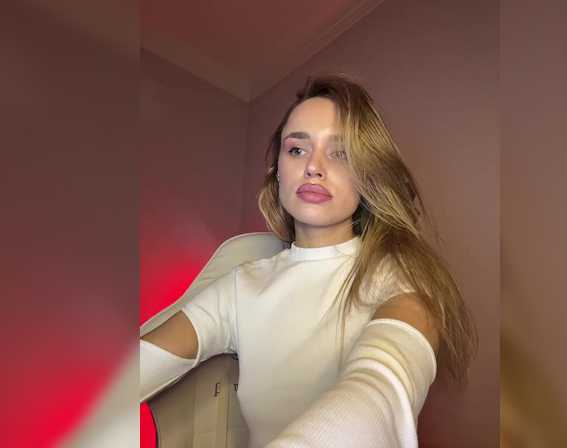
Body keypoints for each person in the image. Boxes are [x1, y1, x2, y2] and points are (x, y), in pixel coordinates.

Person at [140, 73, 478, 447]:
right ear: (277, 174)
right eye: (297, 150)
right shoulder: (242, 283)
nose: (314, 167)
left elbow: (382, 388)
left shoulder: (401, 278)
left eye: (340, 153)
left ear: (367, 176)